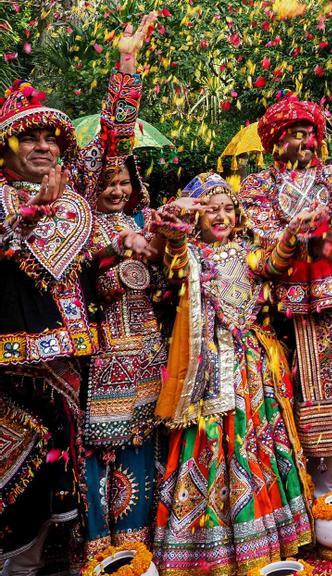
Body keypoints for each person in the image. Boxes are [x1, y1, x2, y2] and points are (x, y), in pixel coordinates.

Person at [0, 13, 151, 574]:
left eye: (51, 139)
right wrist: (28, 216)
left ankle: (52, 561)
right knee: (18, 470)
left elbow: (114, 140)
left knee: (62, 471)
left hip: (70, 359)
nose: (43, 147)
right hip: (10, 366)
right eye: (28, 137)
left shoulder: (74, 192)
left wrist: (126, 65)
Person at [150, 174, 311, 576]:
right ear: (196, 217)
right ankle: (214, 546)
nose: (221, 216)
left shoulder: (247, 250)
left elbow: (273, 264)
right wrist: (175, 229)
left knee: (259, 442)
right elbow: (175, 265)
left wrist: (292, 232)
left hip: (254, 367)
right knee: (214, 444)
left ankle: (270, 536)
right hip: (209, 369)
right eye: (210, 210)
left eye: (227, 208)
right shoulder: (192, 255)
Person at [238, 95, 332, 495]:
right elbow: (264, 244)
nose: (307, 142)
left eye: (311, 133)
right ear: (276, 142)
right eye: (296, 134)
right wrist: (305, 241)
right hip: (284, 307)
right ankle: (297, 486)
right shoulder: (258, 186)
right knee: (293, 390)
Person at [82, 156, 167, 558]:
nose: (117, 191)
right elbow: (90, 279)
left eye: (124, 182)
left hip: (148, 350)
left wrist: (163, 242)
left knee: (143, 442)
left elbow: (164, 281)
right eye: (107, 184)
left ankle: (138, 547)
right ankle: (101, 549)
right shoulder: (81, 227)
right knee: (103, 447)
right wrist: (120, 252)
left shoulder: (143, 222)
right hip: (106, 353)